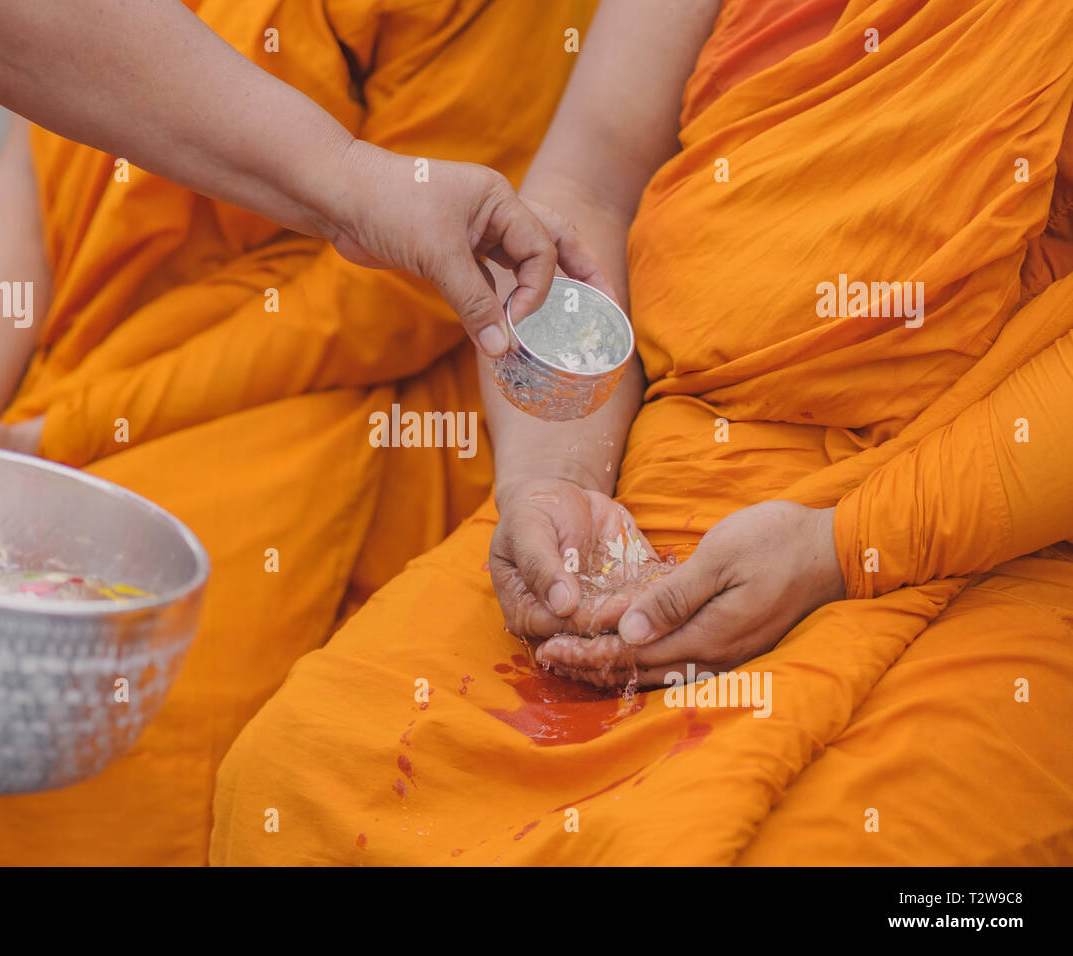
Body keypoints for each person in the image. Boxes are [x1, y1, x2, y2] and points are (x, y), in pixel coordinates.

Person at [210, 0, 1073, 865]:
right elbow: (587, 190)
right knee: (296, 775)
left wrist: (840, 547)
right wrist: (556, 480)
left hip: (982, 516)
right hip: (658, 464)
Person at [0, 0, 600, 864]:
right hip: (55, 328)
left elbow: (400, 294)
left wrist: (58, 431)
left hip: (311, 380)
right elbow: (44, 109)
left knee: (73, 713)